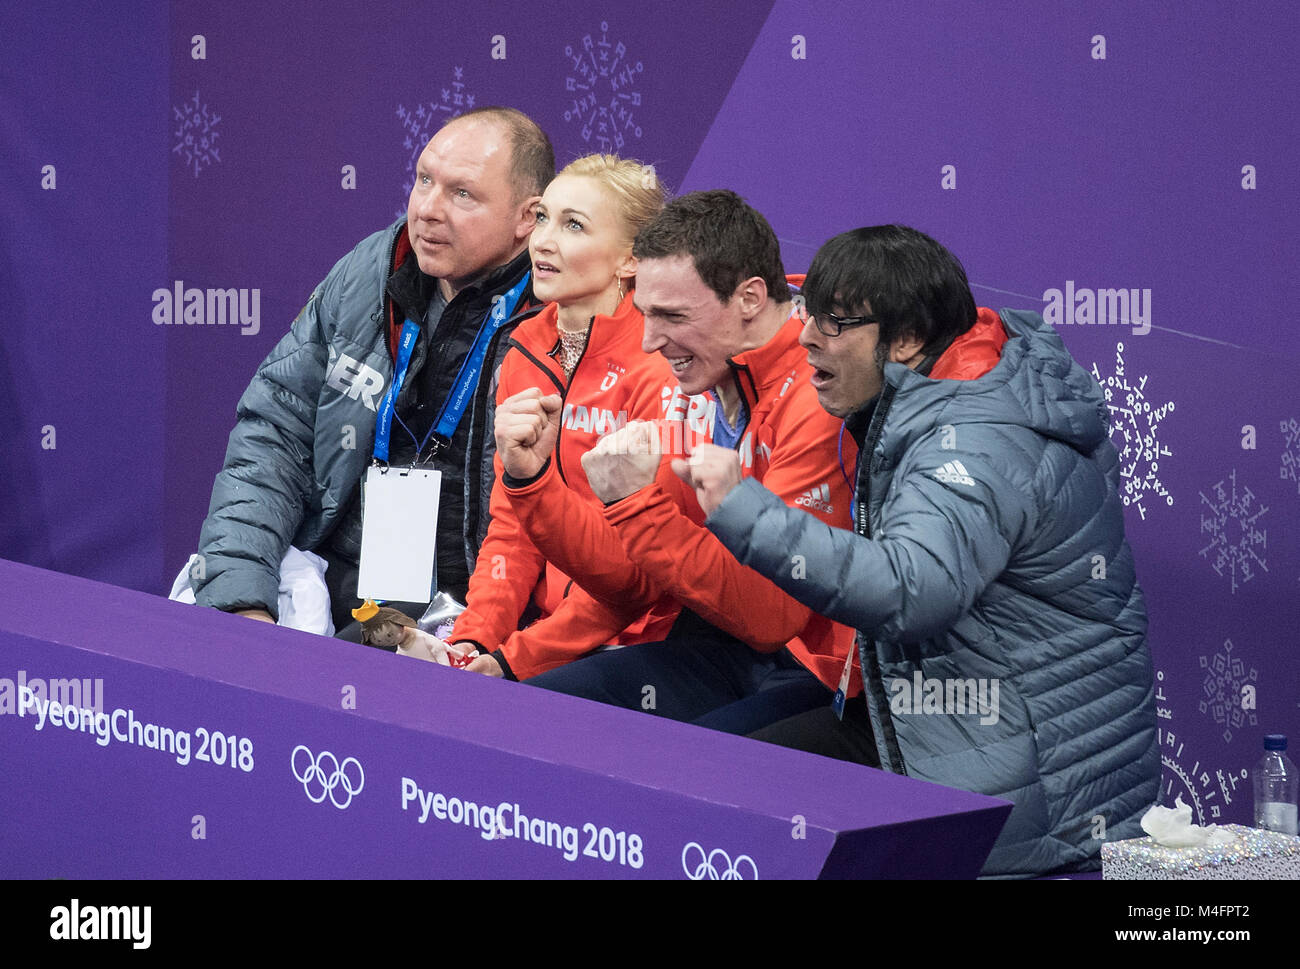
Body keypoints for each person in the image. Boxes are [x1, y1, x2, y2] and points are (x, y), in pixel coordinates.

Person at [680, 224, 1159, 877]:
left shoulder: (973, 437)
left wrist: (744, 508)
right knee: (703, 781)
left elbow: (911, 591)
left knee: (717, 801)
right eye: (808, 315)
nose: (807, 338)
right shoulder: (954, 389)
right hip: (942, 716)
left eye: (837, 323)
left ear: (905, 339)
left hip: (1029, 783)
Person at [484, 190, 860, 736]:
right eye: (644, 314)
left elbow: (773, 619)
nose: (651, 341)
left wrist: (637, 506)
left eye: (672, 316)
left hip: (821, 671)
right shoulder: (696, 381)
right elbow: (633, 582)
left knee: (687, 783)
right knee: (521, 723)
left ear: (750, 298)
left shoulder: (817, 395)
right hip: (718, 643)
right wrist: (535, 483)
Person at [192, 107, 554, 634]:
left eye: (462, 194)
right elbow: (274, 436)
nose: (428, 209)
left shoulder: (561, 315)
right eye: (424, 179)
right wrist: (242, 597)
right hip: (342, 577)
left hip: (483, 612)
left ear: (528, 217)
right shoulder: (369, 272)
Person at [444, 154, 676, 666]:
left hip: (641, 641)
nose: (542, 240)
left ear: (631, 258)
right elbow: (512, 525)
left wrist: (515, 661)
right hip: (544, 633)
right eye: (543, 217)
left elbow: (637, 577)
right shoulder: (526, 345)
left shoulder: (664, 364)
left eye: (573, 225)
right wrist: (474, 639)